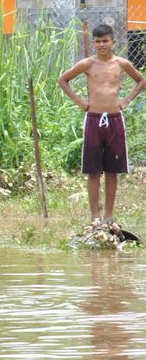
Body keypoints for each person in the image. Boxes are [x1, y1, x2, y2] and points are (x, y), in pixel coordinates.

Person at [59, 23, 146, 224]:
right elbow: (63, 80)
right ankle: (94, 216)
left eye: (105, 41)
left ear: (113, 42)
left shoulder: (121, 63)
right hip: (93, 119)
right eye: (97, 41)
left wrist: (126, 101)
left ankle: (108, 215)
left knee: (112, 170)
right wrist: (79, 101)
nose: (101, 45)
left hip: (115, 119)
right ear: (94, 43)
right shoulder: (87, 64)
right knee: (93, 170)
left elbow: (141, 81)